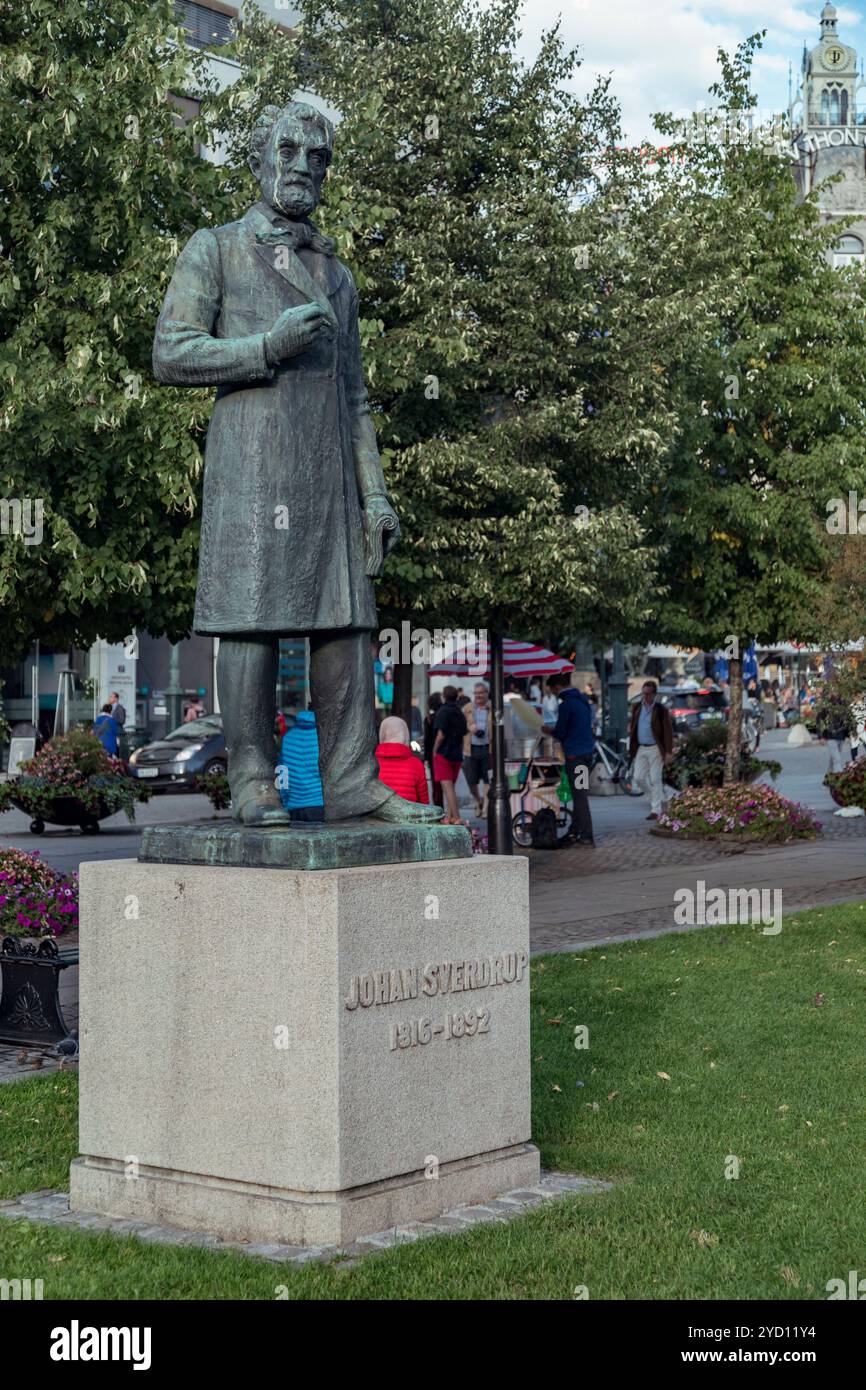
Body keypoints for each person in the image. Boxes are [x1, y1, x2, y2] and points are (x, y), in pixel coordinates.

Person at [153, 100, 440, 828]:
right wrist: (264, 347)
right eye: (289, 152)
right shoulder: (214, 247)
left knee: (347, 625)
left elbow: (356, 399)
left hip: (328, 476)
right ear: (258, 159)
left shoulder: (335, 272)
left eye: (317, 158)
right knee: (249, 621)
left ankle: (350, 780)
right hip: (253, 466)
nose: (303, 168)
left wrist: (375, 496)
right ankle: (252, 778)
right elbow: (172, 352)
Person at [542, 674, 595, 846]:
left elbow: (560, 732)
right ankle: (576, 830)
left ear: (557, 687)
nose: (553, 693)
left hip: (575, 756)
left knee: (580, 796)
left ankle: (586, 835)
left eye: (552, 690)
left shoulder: (566, 705)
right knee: (580, 793)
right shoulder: (582, 700)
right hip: (586, 754)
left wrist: (547, 730)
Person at [628, 679, 674, 821]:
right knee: (638, 778)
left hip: (655, 747)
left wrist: (668, 751)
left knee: (655, 778)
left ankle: (656, 810)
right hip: (641, 747)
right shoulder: (636, 707)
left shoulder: (660, 709)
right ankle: (658, 797)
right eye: (643, 694)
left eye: (648, 694)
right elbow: (634, 725)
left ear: (654, 694)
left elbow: (667, 730)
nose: (645, 697)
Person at [276, 708, 324, 821]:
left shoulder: (288, 737)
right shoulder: (323, 736)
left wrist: (286, 802)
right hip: (321, 805)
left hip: (294, 808)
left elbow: (282, 774)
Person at [432, 685, 468, 824]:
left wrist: (434, 750)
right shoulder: (459, 712)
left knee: (448, 789)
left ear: (444, 696)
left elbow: (441, 735)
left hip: (444, 754)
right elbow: (464, 733)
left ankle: (457, 817)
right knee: (450, 788)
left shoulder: (442, 711)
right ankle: (451, 816)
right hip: (456, 755)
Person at [375, 716, 429, 803]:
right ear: (405, 735)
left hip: (378, 816)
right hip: (409, 816)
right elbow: (424, 803)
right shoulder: (416, 765)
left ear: (382, 734)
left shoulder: (372, 764)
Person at [463, 682, 491, 817]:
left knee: (488, 780)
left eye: (481, 693)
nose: (478, 696)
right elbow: (460, 726)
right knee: (471, 781)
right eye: (476, 693)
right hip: (470, 749)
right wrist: (469, 727)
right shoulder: (467, 708)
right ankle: (478, 800)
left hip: (488, 748)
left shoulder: (493, 707)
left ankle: (485, 808)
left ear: (487, 693)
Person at [424, 692, 444, 809]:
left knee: (435, 784)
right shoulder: (441, 715)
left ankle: (438, 806)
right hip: (443, 752)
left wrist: (426, 757)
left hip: (432, 754)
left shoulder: (429, 719)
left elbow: (427, 740)